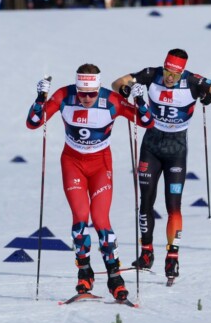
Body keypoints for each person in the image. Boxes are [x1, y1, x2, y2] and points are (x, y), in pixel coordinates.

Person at [25, 65, 154, 301]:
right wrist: (40, 98)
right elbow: (34, 122)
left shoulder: (112, 100)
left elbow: (145, 122)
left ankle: (115, 278)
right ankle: (84, 273)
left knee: (102, 222)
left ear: (98, 88)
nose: (85, 98)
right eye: (82, 93)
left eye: (91, 94)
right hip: (72, 162)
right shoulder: (65, 96)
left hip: (100, 165)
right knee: (80, 221)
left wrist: (140, 100)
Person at [111, 49, 211, 283]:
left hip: (176, 150)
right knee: (145, 201)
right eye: (168, 72)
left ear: (182, 72)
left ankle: (172, 256)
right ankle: (146, 253)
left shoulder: (193, 81)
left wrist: (210, 96)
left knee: (173, 205)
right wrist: (125, 89)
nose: (169, 78)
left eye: (175, 75)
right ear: (164, 67)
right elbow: (118, 82)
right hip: (151, 145)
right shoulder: (151, 74)